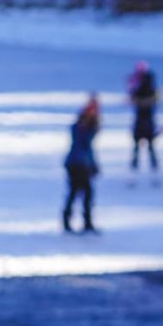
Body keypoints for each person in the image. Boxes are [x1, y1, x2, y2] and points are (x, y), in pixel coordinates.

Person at [62, 94, 100, 235]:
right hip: (76, 165)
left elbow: (88, 149)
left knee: (84, 193)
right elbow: (82, 147)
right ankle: (70, 221)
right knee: (78, 192)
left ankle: (83, 222)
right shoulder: (81, 128)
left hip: (79, 165)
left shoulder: (87, 128)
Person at [127, 60, 160, 177]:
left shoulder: (139, 86)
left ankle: (136, 167)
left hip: (142, 120)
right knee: (149, 147)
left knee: (140, 146)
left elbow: (132, 100)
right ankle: (153, 167)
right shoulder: (151, 87)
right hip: (147, 120)